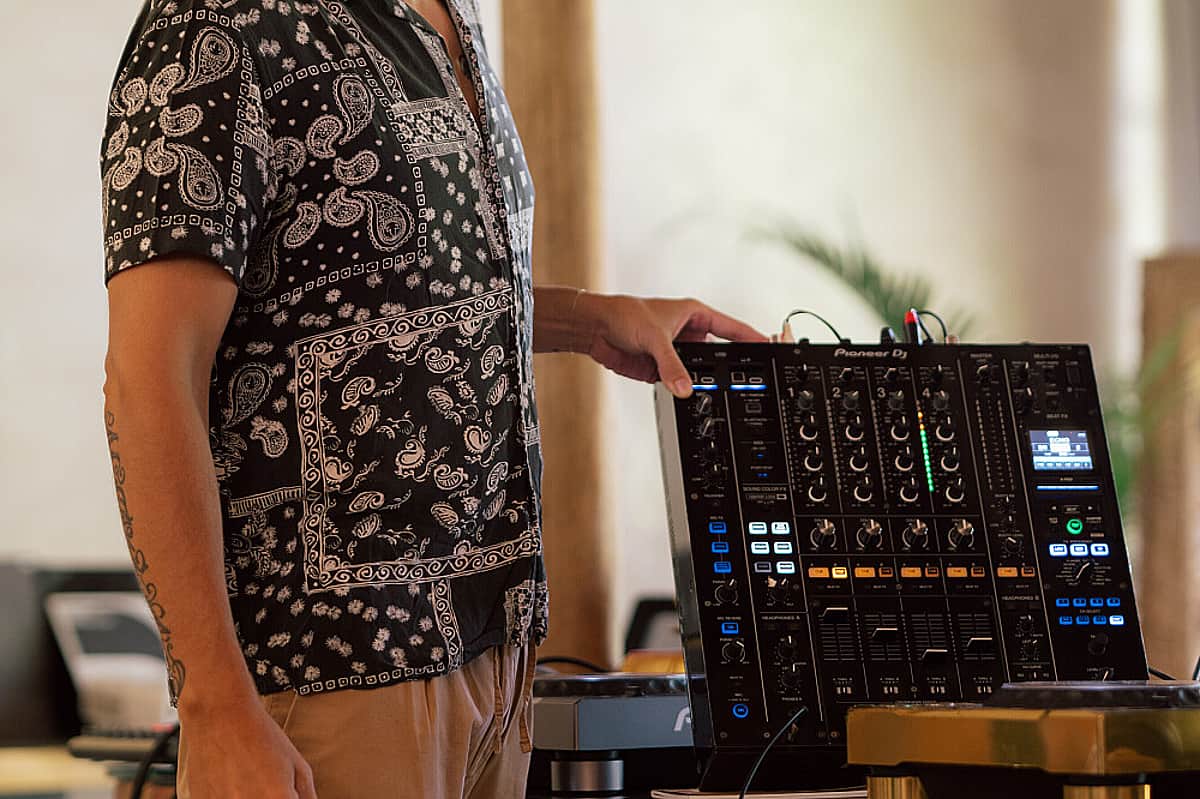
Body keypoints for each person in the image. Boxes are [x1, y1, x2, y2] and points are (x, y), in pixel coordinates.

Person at [100, 1, 765, 796]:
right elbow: (148, 379)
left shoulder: (453, 14)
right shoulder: (214, 24)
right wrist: (213, 703)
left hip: (499, 662)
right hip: (332, 680)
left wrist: (586, 317)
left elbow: (394, 292)